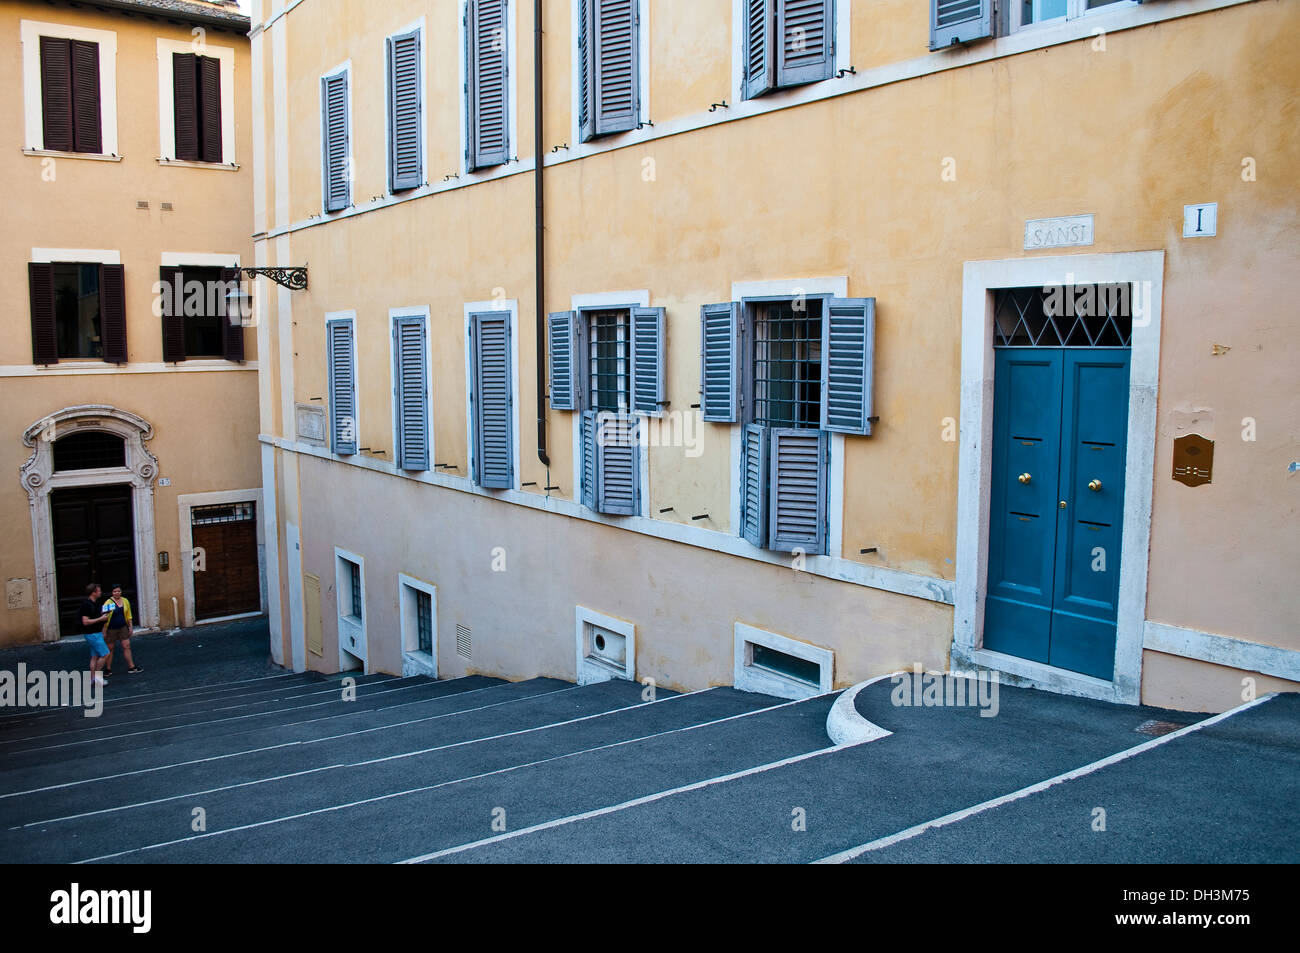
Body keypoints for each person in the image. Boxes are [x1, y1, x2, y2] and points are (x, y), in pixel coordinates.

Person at [102, 584, 142, 675]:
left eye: (119, 591)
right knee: (110, 648)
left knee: (126, 646)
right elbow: (104, 617)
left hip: (123, 627)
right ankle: (108, 669)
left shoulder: (125, 600)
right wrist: (104, 630)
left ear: (121, 592)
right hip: (111, 628)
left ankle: (132, 666)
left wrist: (130, 626)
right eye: (115, 591)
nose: (117, 593)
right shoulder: (108, 602)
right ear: (112, 593)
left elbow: (129, 615)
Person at [79, 583, 111, 686]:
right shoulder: (87, 605)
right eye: (99, 591)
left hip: (95, 634)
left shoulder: (95, 603)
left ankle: (92, 679)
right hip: (93, 635)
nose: (100, 592)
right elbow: (85, 621)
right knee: (106, 654)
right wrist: (101, 619)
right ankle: (97, 678)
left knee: (94, 656)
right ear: (94, 593)